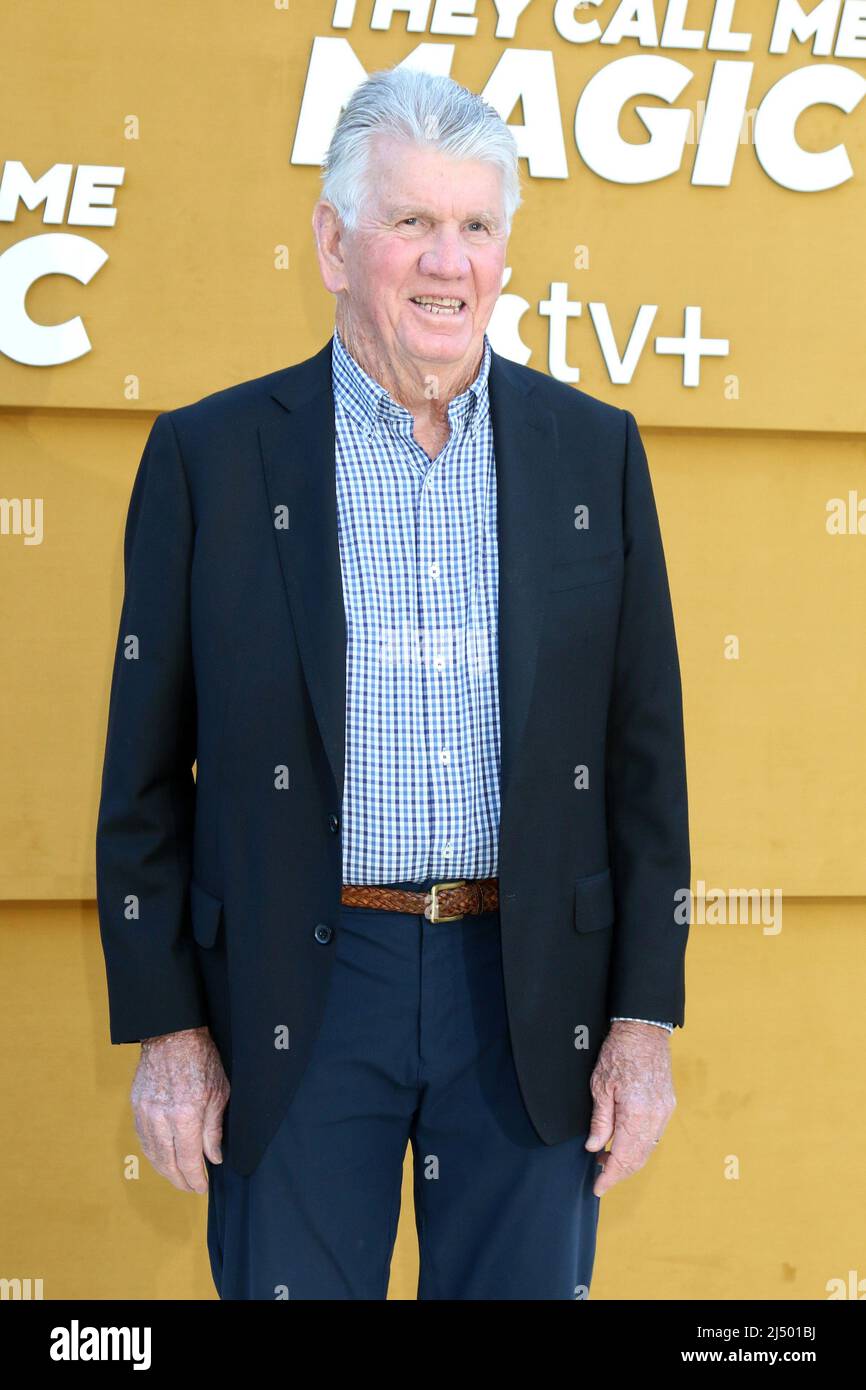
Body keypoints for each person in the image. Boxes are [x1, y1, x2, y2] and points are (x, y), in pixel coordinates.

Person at [96, 66, 690, 1301]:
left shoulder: (593, 452)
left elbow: (644, 763)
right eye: (411, 222)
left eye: (475, 226)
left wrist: (640, 1022)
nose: (445, 261)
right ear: (332, 242)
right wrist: (168, 1032)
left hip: (526, 996)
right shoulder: (207, 458)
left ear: (505, 252)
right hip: (291, 991)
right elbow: (142, 779)